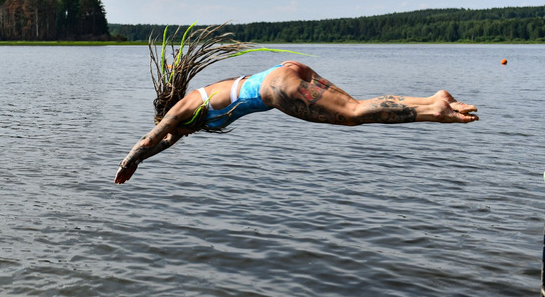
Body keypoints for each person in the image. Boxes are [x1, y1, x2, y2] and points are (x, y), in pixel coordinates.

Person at [114, 25, 478, 184]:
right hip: (282, 72)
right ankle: (433, 102)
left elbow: (150, 139)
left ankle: (435, 108)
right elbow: (163, 144)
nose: (172, 132)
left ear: (168, 111)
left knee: (353, 113)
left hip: (275, 89)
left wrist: (129, 163)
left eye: (169, 124)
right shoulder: (194, 107)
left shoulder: (181, 111)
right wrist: (146, 159)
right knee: (353, 112)